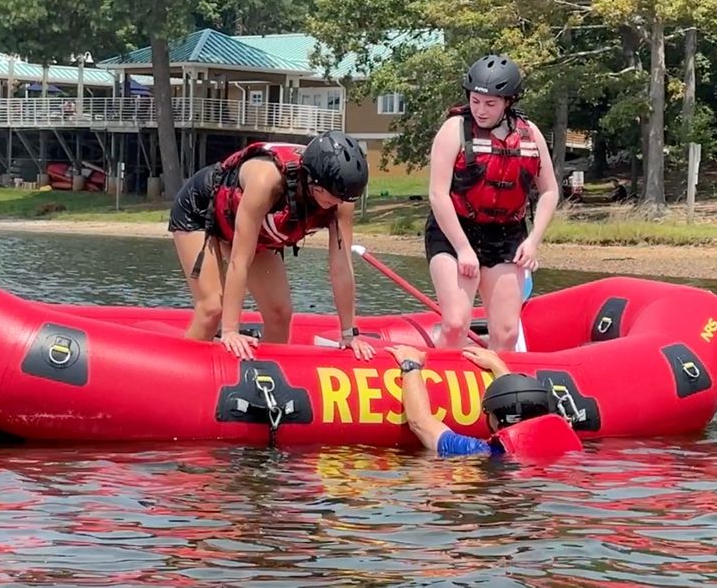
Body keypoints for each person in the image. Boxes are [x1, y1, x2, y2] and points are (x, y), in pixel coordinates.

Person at [168, 130, 376, 361]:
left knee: (279, 314)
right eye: (330, 196)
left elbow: (341, 268)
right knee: (211, 308)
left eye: (342, 198)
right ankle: (186, 372)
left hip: (255, 231)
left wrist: (349, 334)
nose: (335, 204)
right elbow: (240, 260)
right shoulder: (267, 182)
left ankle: (267, 383)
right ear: (311, 179)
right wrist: (230, 331)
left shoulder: (341, 199)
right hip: (201, 210)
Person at [425, 54, 560, 350]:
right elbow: (437, 194)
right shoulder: (454, 130)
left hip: (506, 235)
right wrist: (463, 249)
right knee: (456, 323)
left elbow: (549, 190)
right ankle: (440, 380)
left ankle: (498, 391)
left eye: (490, 103)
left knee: (507, 332)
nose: (481, 110)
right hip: (455, 230)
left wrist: (534, 240)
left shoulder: (530, 134)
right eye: (475, 101)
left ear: (508, 101)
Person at [383, 344, 582, 457]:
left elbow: (420, 422)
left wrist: (411, 365)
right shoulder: (560, 446)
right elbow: (519, 407)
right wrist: (499, 367)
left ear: (495, 420)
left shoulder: (483, 451)